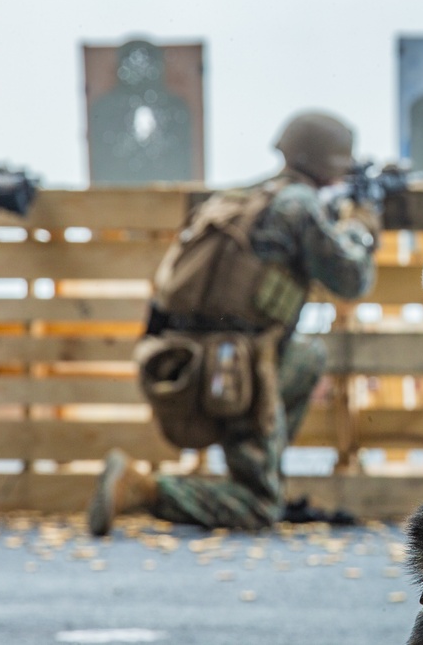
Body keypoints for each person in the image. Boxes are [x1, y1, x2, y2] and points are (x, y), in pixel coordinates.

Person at [88, 111, 381, 536]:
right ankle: (143, 488)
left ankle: (265, 474)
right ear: (329, 164)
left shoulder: (237, 200)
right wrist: (361, 227)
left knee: (307, 355)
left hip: (193, 360)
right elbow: (351, 279)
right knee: (259, 509)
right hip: (240, 370)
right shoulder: (298, 206)